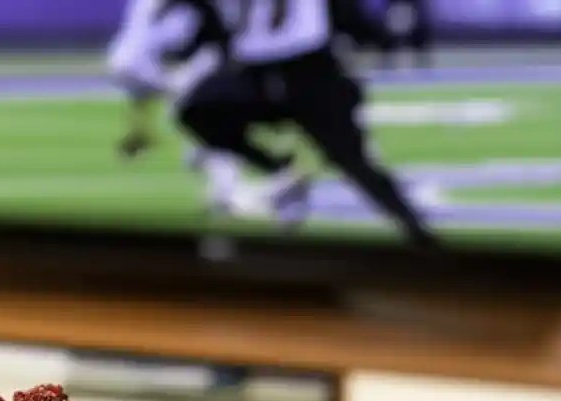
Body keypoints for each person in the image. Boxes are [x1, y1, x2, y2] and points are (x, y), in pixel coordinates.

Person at [174, 0, 436, 246]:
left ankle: (417, 232)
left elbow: (347, 16)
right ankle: (282, 170)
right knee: (197, 110)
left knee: (354, 163)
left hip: (310, 72)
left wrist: (381, 39)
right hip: (255, 73)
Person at [107, 0, 261, 216]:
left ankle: (203, 157)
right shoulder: (194, 11)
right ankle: (222, 190)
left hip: (127, 61)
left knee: (212, 118)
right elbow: (194, 44)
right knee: (219, 122)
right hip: (160, 67)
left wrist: (139, 126)